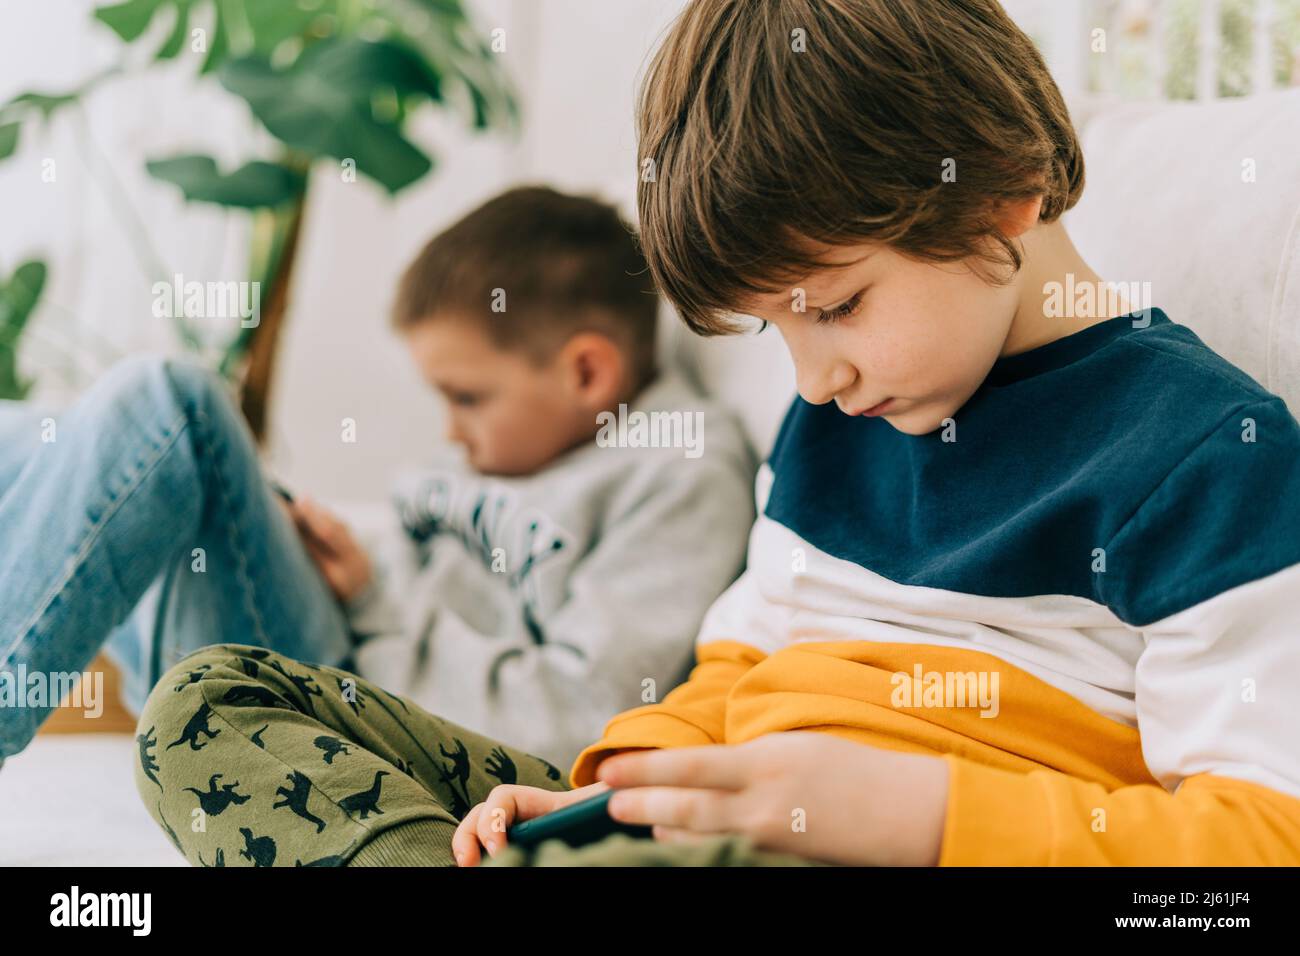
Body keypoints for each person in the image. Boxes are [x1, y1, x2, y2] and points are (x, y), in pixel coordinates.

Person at [131, 0, 1300, 866]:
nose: (816, 374)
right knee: (209, 703)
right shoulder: (845, 412)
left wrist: (905, 815)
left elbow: (1259, 842)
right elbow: (737, 667)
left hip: (870, 849)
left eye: (835, 304)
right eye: (773, 329)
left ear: (1001, 194)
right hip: (703, 822)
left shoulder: (1206, 455)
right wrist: (617, 785)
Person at [0, 186, 754, 776]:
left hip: (362, 718)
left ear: (587, 371)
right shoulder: (524, 445)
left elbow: (576, 721)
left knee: (170, 404)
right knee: (28, 432)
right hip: (333, 645)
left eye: (467, 397)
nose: (451, 432)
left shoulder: (678, 474)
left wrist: (373, 597)